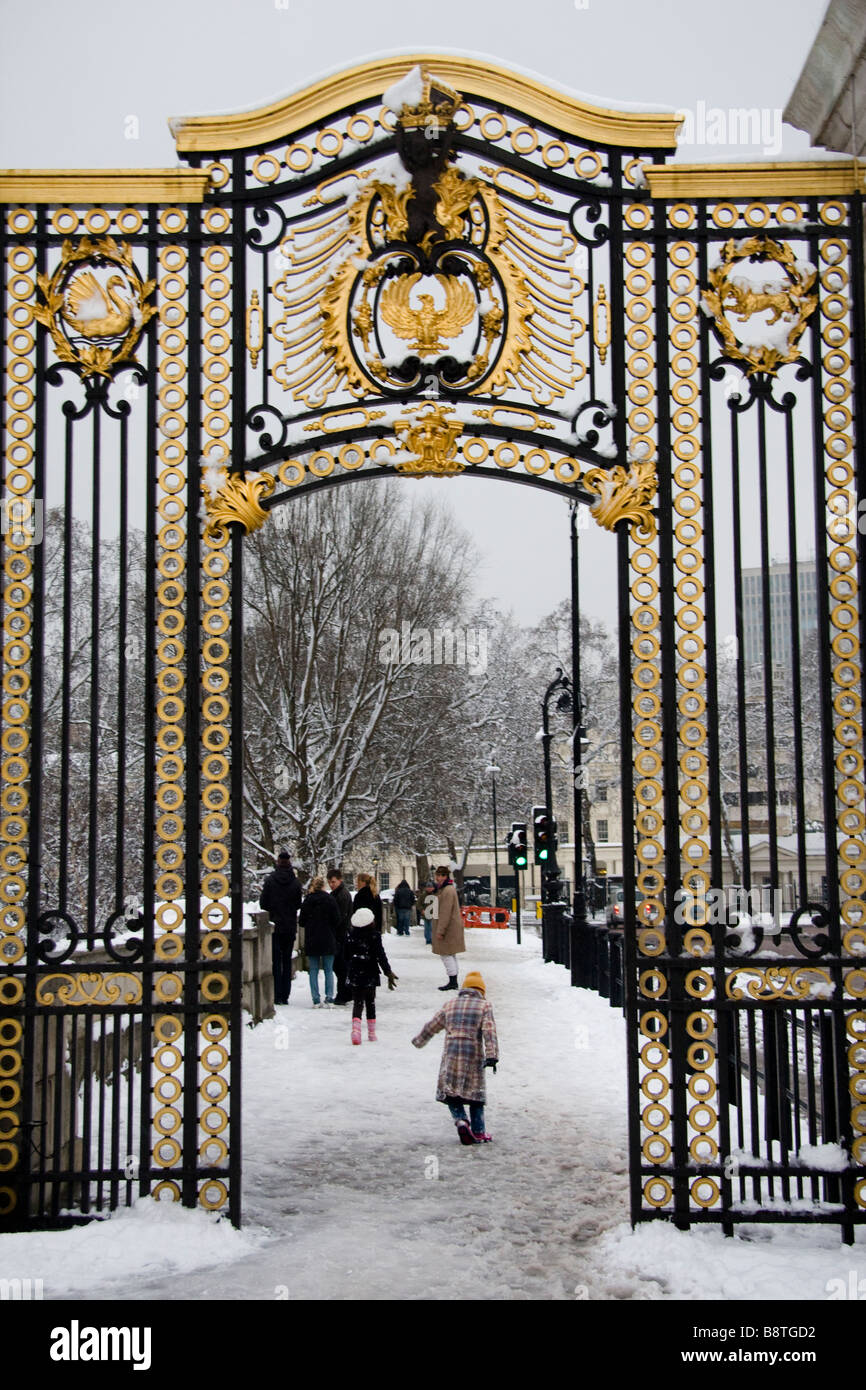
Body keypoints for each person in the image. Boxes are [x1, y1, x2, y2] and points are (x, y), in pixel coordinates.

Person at [412, 971, 499, 1144]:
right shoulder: (484, 1006)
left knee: (450, 1092)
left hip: (451, 1053)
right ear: (481, 990)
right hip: (472, 1054)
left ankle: (460, 1120)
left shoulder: (449, 1004)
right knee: (476, 1094)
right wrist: (492, 1056)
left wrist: (419, 1041)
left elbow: (433, 1025)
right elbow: (489, 1032)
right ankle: (479, 1131)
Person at [344, 905, 397, 1044]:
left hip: (355, 972)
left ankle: (356, 1031)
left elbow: (345, 955)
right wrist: (388, 971)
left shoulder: (351, 936)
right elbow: (381, 955)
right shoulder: (374, 936)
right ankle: (372, 1033)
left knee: (358, 1002)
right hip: (370, 972)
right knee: (370, 1002)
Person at [259, 850, 302, 1006]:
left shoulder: (270, 881)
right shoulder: (295, 883)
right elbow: (298, 904)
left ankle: (277, 994)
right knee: (287, 960)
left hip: (275, 926)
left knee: (276, 961)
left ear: (278, 862)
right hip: (289, 926)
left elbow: (263, 903)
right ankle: (285, 995)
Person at [299, 875, 341, 1007]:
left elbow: (302, 922)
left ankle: (316, 998)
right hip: (328, 937)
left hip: (312, 938)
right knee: (329, 969)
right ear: (324, 886)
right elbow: (337, 920)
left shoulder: (308, 900)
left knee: (314, 970)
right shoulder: (330, 900)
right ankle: (329, 997)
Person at [430, 864, 464, 991]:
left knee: (446, 954)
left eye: (442, 875)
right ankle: (453, 980)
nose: (439, 878)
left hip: (449, 927)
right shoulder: (445, 889)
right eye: (438, 875)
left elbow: (445, 912)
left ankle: (453, 981)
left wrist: (440, 930)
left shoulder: (447, 890)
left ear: (446, 876)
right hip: (450, 926)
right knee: (450, 954)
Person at [327, 867, 354, 1004]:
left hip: (340, 934)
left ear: (339, 880)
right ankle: (344, 993)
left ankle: (343, 994)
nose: (331, 884)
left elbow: (341, 917)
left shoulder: (341, 895)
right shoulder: (338, 894)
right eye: (330, 882)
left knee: (340, 966)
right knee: (340, 966)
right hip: (340, 934)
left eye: (333, 882)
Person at [419, 880, 435, 946]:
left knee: (432, 927)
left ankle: (431, 940)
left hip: (433, 915)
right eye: (428, 887)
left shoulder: (435, 895)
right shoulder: (422, 896)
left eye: (430, 887)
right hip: (425, 914)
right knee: (426, 928)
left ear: (433, 888)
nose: (429, 888)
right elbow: (418, 904)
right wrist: (422, 910)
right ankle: (428, 940)